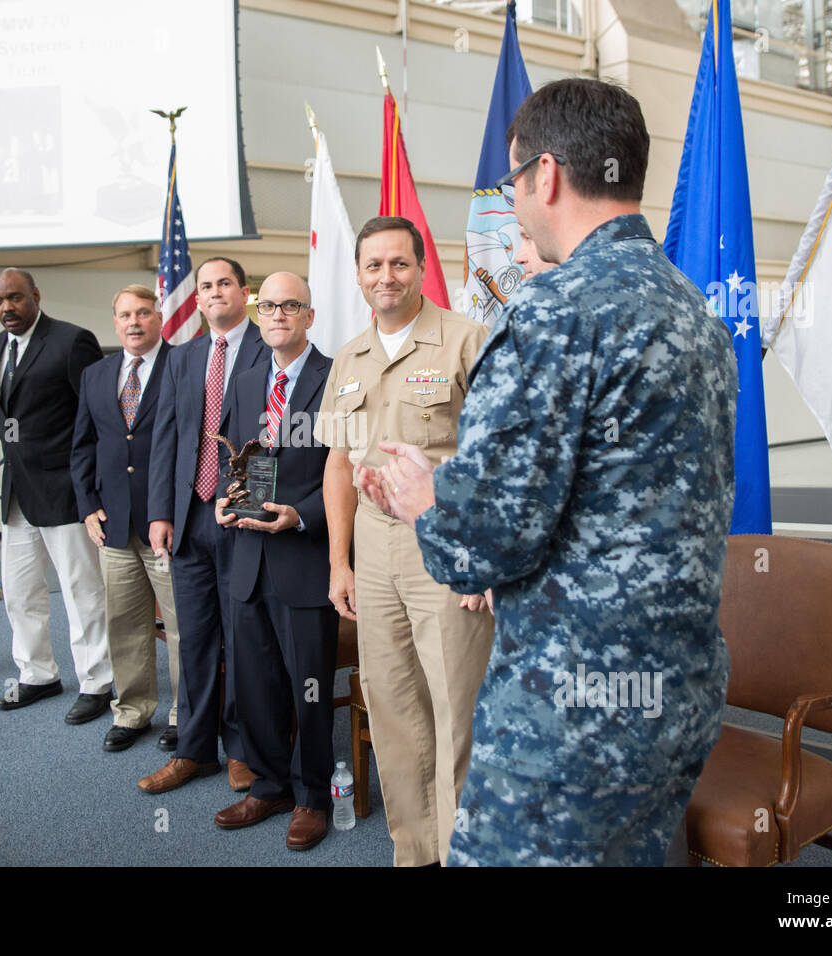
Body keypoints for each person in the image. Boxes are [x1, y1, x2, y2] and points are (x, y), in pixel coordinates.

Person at [361, 78, 737, 866]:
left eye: (512, 183)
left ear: (548, 176)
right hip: (677, 689)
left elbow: (479, 548)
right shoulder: (694, 310)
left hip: (571, 713)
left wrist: (428, 499)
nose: (513, 206)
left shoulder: (555, 312)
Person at [314, 216, 494, 867]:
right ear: (359, 275)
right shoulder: (348, 358)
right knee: (391, 706)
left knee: (455, 709)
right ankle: (415, 851)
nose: (385, 276)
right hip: (375, 551)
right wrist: (340, 560)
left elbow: (492, 464)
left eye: (398, 263)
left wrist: (480, 560)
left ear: (421, 268)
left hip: (444, 550)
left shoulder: (467, 341)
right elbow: (337, 464)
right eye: (373, 265)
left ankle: (462, 853)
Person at [212, 272, 336, 851]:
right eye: (269, 305)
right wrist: (226, 500)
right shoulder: (246, 380)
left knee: (309, 686)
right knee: (256, 682)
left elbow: (346, 469)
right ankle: (269, 785)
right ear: (258, 315)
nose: (279, 313)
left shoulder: (335, 377)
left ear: (309, 316)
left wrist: (301, 513)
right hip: (248, 556)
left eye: (292, 305)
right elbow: (239, 458)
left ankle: (313, 796)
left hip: (306, 556)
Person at [140, 257, 270, 794]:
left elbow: (270, 435)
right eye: (206, 286)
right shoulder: (184, 357)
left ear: (244, 293)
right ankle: (196, 750)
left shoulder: (270, 348)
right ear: (196, 299)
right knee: (191, 637)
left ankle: (242, 748)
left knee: (242, 639)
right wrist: (160, 513)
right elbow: (165, 437)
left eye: (224, 284)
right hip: (189, 518)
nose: (214, 292)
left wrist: (254, 506)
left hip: (242, 517)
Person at [0, 267, 114, 723]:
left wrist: (92, 489)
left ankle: (97, 681)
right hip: (16, 492)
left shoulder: (71, 341)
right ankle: (37, 673)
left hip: (65, 491)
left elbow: (95, 417)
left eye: (15, 298)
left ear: (35, 296)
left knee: (83, 591)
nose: (7, 308)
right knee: (18, 591)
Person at [70, 285, 181, 753]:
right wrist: (87, 504)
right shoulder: (96, 374)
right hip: (114, 525)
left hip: (168, 527)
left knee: (181, 626)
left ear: (159, 317)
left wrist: (174, 512)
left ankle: (185, 714)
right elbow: (83, 446)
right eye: (124, 315)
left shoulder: (183, 366)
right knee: (125, 623)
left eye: (142, 312)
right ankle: (133, 711)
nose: (133, 322)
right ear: (114, 323)